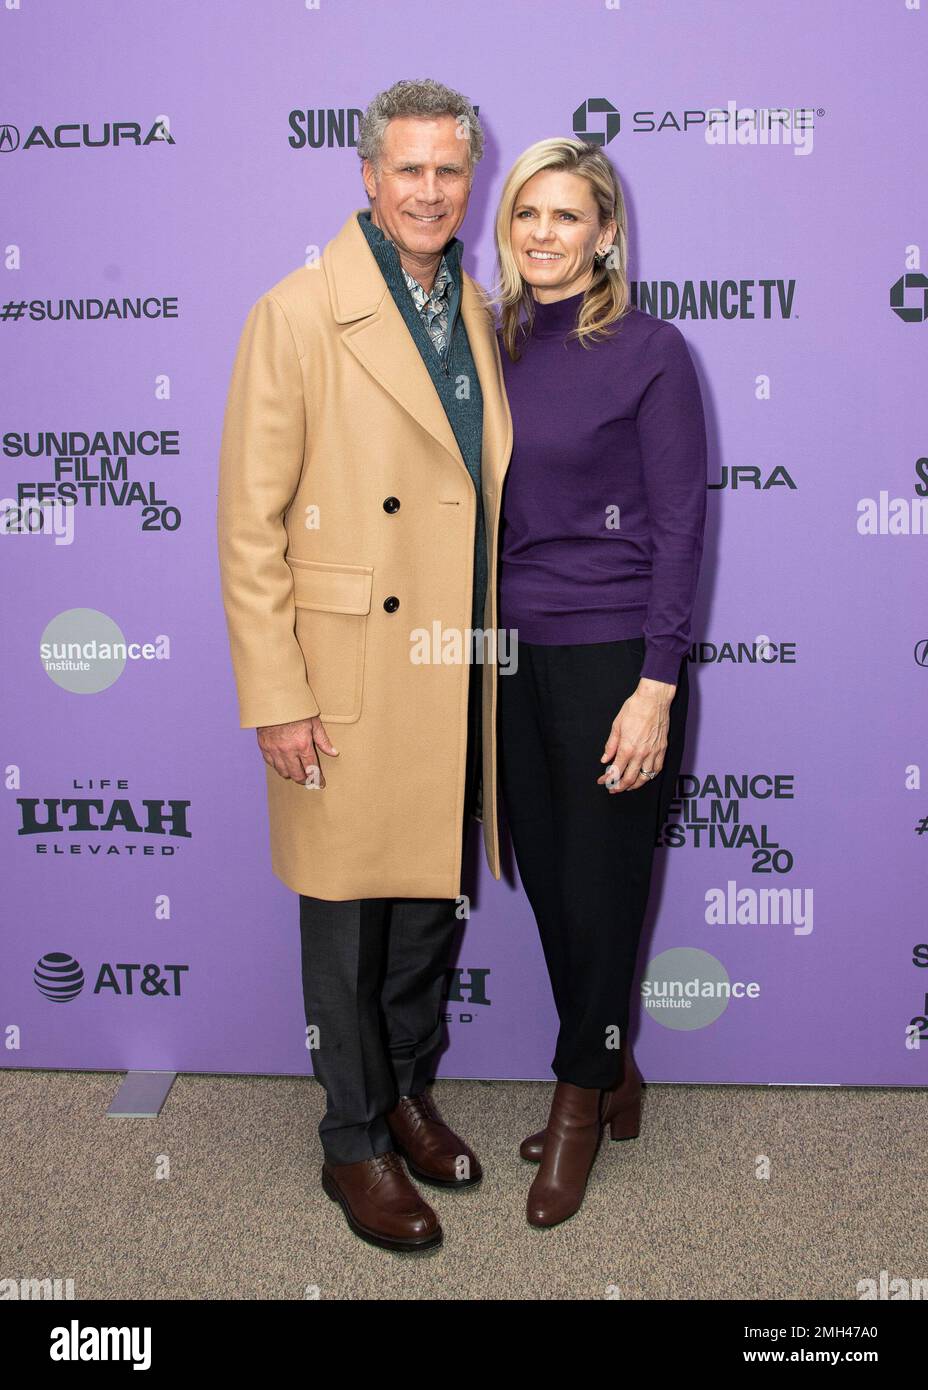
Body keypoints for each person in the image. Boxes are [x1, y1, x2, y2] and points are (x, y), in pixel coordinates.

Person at [216, 79, 514, 1252]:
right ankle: (352, 1140)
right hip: (348, 668)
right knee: (346, 921)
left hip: (454, 659)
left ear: (469, 179)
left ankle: (403, 1090)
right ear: (366, 178)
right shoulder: (295, 313)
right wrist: (276, 696)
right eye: (408, 170)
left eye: (449, 171)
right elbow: (248, 527)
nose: (430, 191)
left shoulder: (480, 311)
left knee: (428, 909)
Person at [492, 137, 708, 1227]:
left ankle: (579, 1097)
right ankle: (614, 1069)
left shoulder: (650, 349)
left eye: (565, 216)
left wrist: (656, 684)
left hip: (617, 655)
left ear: (605, 234)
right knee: (554, 884)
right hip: (505, 659)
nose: (541, 234)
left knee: (604, 888)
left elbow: (679, 526)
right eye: (526, 213)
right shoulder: (488, 343)